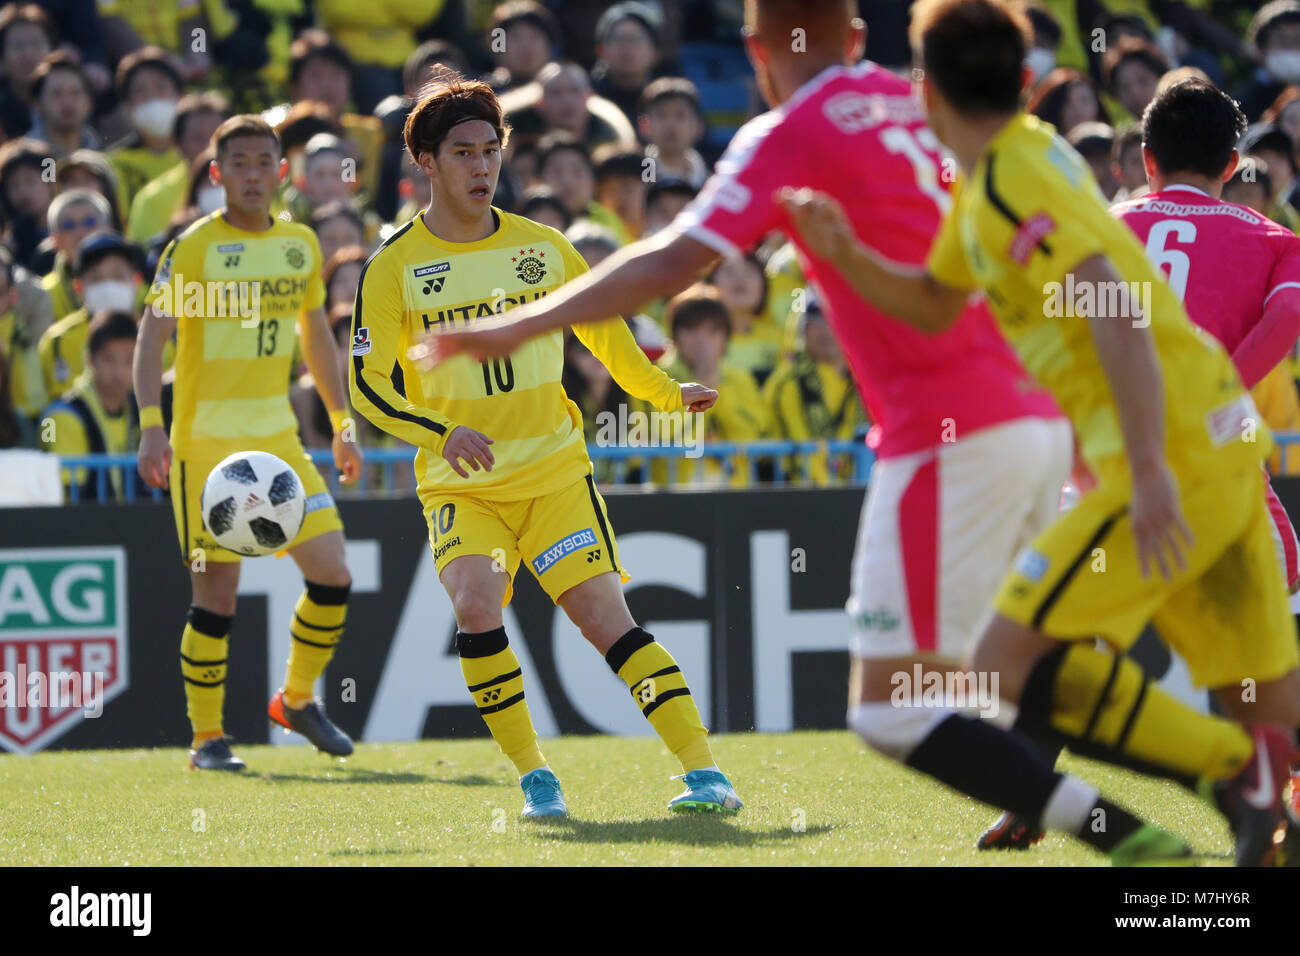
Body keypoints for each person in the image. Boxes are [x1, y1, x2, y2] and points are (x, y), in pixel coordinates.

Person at [425, 0, 1197, 865]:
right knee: (1004, 665)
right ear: (861, 39)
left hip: (951, 436)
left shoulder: (789, 135)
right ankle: (1223, 781)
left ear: (755, 51)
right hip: (1041, 417)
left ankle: (1151, 833)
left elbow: (675, 259)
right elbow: (1076, 277)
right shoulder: (939, 108)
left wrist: (516, 325)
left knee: (891, 707)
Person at [781, 0, 1300, 866]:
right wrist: (846, 255)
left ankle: (1227, 775)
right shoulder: (1026, 163)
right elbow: (938, 297)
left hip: (1161, 450)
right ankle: (1257, 813)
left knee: (1003, 664)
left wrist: (1145, 468)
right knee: (1267, 701)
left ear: (924, 94)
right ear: (1027, 86)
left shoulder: (1012, 184)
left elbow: (1113, 301)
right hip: (1224, 441)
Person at [348, 70, 740, 817]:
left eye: (491, 151)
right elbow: (368, 387)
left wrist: (664, 393)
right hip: (463, 482)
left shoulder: (545, 249)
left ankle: (705, 772)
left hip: (555, 473)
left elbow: (609, 337)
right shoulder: (392, 268)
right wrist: (439, 430)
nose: (481, 167)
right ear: (425, 163)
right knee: (475, 606)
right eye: (462, 153)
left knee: (604, 620)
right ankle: (536, 778)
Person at [134, 114, 363, 772]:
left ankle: (295, 699)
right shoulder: (195, 247)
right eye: (240, 164)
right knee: (217, 594)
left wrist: (342, 423)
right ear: (216, 174)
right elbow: (153, 335)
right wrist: (153, 424)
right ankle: (207, 739)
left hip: (280, 442)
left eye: (265, 162)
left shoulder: (298, 245)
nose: (255, 174)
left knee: (333, 573)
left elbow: (316, 336)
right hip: (204, 446)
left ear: (282, 172)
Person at [40, 310, 139, 500]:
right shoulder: (60, 418)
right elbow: (69, 497)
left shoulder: (142, 411)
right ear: (90, 360)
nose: (120, 372)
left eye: (129, 360)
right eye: (109, 359)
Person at [39, 231, 143, 400]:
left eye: (117, 276)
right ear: (78, 287)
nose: (108, 285)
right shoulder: (58, 340)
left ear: (137, 281)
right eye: (96, 278)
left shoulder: (156, 335)